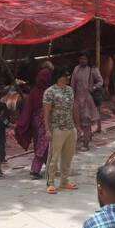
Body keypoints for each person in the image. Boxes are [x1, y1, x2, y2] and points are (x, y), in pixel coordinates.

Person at [43, 65, 78, 195]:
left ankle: (64, 180)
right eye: (66, 75)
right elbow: (46, 112)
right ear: (59, 77)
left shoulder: (70, 90)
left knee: (68, 156)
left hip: (70, 127)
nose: (68, 77)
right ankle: (50, 182)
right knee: (54, 156)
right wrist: (47, 129)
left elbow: (73, 108)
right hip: (56, 128)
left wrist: (77, 126)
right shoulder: (49, 92)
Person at [14, 64, 53, 180]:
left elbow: (27, 109)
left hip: (35, 122)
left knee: (42, 144)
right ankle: (35, 169)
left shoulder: (34, 92)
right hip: (45, 122)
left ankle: (50, 168)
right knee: (44, 144)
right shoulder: (50, 92)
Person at [71, 52, 103, 152]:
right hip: (76, 98)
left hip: (87, 99)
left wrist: (94, 87)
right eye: (81, 58)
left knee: (86, 121)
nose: (82, 61)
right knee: (77, 120)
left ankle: (85, 144)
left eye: (84, 59)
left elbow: (100, 81)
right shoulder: (76, 68)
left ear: (88, 60)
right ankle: (86, 136)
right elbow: (72, 83)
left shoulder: (92, 69)